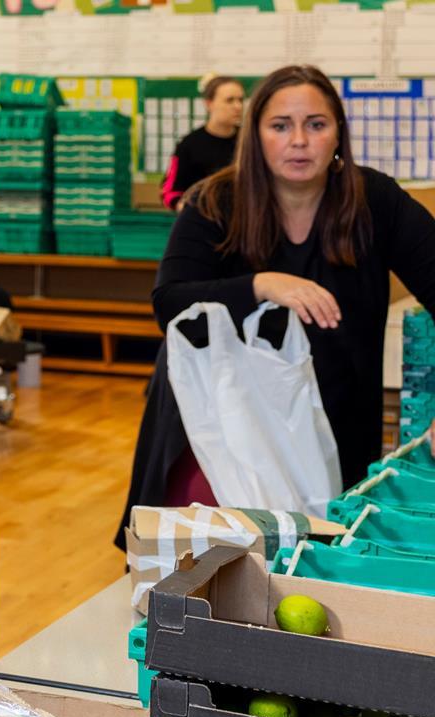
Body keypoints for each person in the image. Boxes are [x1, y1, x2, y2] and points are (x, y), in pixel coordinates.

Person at [121, 64, 435, 532]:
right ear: (257, 134)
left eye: (316, 124)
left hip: (338, 421)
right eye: (280, 126)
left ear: (337, 135)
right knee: (219, 571)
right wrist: (260, 285)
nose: (299, 141)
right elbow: (170, 305)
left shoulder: (374, 200)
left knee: (321, 563)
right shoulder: (216, 201)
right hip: (221, 432)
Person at [163, 76, 245, 211]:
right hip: (203, 220)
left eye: (240, 100)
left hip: (243, 221)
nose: (238, 106)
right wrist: (186, 209)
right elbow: (169, 192)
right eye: (229, 100)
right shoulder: (188, 145)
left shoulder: (250, 142)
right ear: (209, 104)